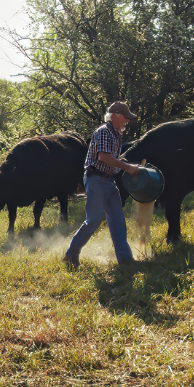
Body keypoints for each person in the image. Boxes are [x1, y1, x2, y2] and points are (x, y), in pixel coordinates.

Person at [64, 102, 141, 267]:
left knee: (118, 220)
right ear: (115, 116)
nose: (127, 120)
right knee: (93, 220)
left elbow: (111, 161)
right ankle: (70, 255)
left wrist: (125, 168)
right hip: (96, 180)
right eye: (125, 117)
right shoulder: (104, 132)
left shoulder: (116, 134)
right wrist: (127, 167)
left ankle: (125, 259)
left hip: (108, 181)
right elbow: (103, 157)